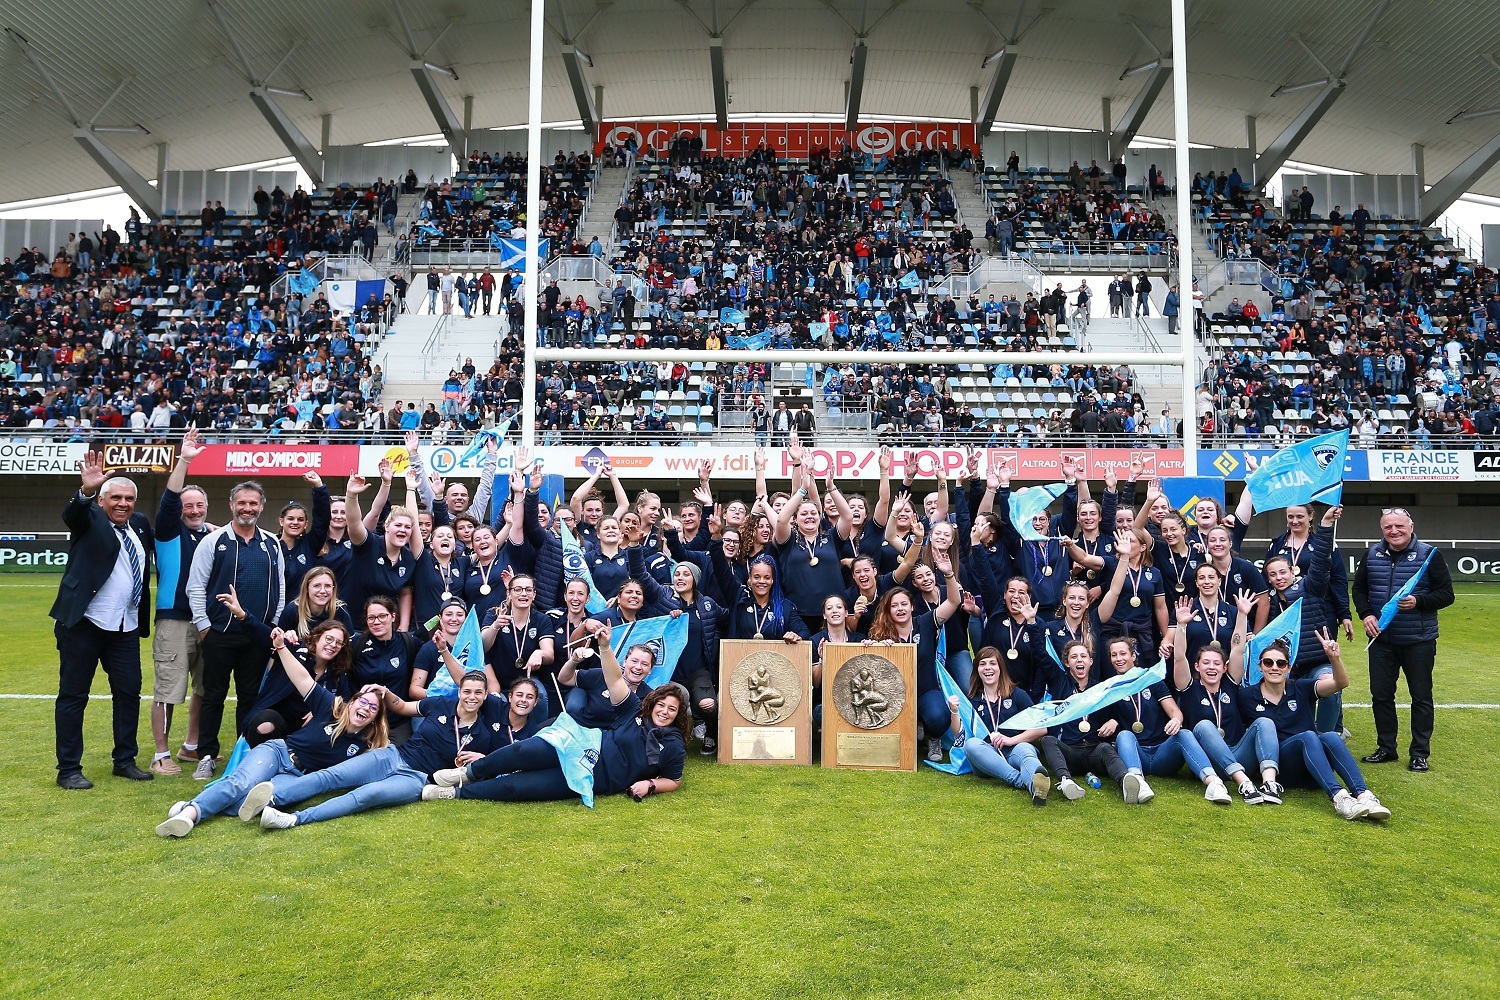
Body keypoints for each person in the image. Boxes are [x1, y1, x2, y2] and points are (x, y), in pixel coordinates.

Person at [154, 638, 391, 837]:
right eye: (363, 701)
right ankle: (188, 815)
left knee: (265, 800)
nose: (367, 708)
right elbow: (301, 678)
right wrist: (281, 648)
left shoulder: (362, 747)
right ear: (352, 703)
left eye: (373, 709)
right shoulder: (330, 706)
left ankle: (192, 805)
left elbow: (384, 764)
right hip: (278, 753)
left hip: (298, 774)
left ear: (374, 719)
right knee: (240, 784)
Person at [250, 669, 511, 829]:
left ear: (486, 695)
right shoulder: (440, 704)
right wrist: (385, 693)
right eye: (467, 691)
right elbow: (402, 707)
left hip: (416, 779)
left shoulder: (484, 732)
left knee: (364, 797)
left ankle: (294, 819)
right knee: (331, 776)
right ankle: (270, 801)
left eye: (478, 692)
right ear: (460, 691)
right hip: (393, 756)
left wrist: (483, 758)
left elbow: (494, 765)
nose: (472, 697)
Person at [51, 450, 155, 789]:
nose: (123, 503)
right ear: (102, 500)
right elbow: (73, 515)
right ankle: (68, 769)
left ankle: (124, 760)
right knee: (73, 695)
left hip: (124, 627)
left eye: (129, 498)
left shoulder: (138, 524)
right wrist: (84, 493)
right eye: (116, 498)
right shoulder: (89, 518)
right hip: (84, 623)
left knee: (129, 692)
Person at [423, 682, 689, 804]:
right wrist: (605, 647)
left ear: (679, 715)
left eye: (672, 710)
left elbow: (674, 779)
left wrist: (651, 784)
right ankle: (468, 774)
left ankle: (455, 793)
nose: (664, 712)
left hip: (592, 777)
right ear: (652, 704)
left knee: (515, 787)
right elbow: (615, 678)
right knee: (522, 750)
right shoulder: (634, 711)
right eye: (661, 705)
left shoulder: (674, 745)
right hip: (582, 745)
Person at [187, 479, 286, 782]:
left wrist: (271, 625)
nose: (247, 508)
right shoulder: (213, 541)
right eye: (241, 503)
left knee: (249, 698)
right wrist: (205, 627)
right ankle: (206, 755)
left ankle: (246, 754)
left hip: (256, 636)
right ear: (231, 505)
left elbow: (280, 589)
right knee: (212, 695)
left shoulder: (272, 543)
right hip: (219, 634)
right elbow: (195, 587)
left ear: (261, 506)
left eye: (253, 503)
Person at [1244, 634, 1390, 820]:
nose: (1274, 667)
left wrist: (1334, 658)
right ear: (1260, 666)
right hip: (1281, 768)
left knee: (1330, 736)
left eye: (1280, 663)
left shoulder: (1300, 687)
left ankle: (1363, 795)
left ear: (1288, 668)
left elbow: (1340, 683)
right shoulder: (1247, 695)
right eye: (1268, 662)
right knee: (1309, 736)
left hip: (1313, 767)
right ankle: (1339, 797)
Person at [1353, 507, 1454, 772]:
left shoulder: (1430, 555)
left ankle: (1419, 753)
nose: (1394, 531)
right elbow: (1359, 590)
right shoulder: (1372, 554)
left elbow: (1446, 595)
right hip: (1382, 640)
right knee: (1381, 696)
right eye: (1388, 527)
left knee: (1421, 697)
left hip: (1418, 640)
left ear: (1411, 526)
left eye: (1399, 526)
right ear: (1382, 529)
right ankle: (1387, 748)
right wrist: (1366, 615)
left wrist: (1419, 601)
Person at [1170, 595, 1275, 804]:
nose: (1211, 667)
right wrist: (1181, 626)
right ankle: (1244, 783)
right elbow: (1179, 656)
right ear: (1197, 666)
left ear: (1225, 667)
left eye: (1217, 663)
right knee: (1203, 726)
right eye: (1206, 663)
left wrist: (1243, 615)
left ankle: (1269, 784)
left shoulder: (1230, 682)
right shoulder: (1189, 687)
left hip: (1238, 753)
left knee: (1264, 722)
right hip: (1209, 761)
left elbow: (1237, 648)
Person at [149, 428, 212, 775]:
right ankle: (161, 753)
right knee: (168, 689)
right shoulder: (168, 530)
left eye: (199, 505)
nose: (193, 510)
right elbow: (170, 499)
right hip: (173, 619)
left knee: (203, 687)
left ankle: (191, 746)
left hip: (205, 621)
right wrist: (184, 460)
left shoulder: (212, 534)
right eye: (188, 505)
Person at [862, 549, 963, 763]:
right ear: (888, 610)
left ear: (912, 606)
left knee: (938, 717)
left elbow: (953, 602)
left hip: (926, 690)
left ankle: (933, 736)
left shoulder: (925, 622)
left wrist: (948, 574)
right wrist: (874, 647)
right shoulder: (881, 633)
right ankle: (913, 723)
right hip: (894, 693)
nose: (899, 609)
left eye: (903, 604)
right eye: (894, 606)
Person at [1101, 636, 1224, 804]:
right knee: (1124, 735)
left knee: (1185, 733)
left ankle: (1213, 783)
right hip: (1136, 753)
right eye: (1114, 655)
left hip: (1162, 753)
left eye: (1123, 653)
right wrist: (1113, 721)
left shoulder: (1152, 680)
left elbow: (1175, 711)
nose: (1118, 659)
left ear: (1133, 656)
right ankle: (1139, 783)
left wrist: (1176, 720)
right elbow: (1106, 719)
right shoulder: (1109, 687)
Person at [949, 647, 1051, 805]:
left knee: (1026, 750)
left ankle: (1036, 787)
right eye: (982, 664)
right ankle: (1018, 780)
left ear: (1000, 668)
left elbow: (1041, 729)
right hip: (986, 756)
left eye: (992, 663)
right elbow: (959, 736)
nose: (988, 667)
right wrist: (954, 712)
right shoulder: (973, 700)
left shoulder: (1017, 694)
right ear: (977, 670)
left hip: (1013, 749)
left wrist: (1011, 740)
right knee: (971, 744)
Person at [1037, 641, 1131, 801]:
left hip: (1095, 751)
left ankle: (1127, 783)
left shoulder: (1101, 689)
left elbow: (1120, 715)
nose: (1079, 660)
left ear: (1091, 661)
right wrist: (1032, 622)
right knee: (1047, 740)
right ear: (1066, 663)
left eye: (1083, 656)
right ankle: (1066, 781)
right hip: (1069, 753)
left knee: (1106, 748)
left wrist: (1114, 721)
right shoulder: (1060, 683)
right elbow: (1041, 653)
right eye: (1074, 657)